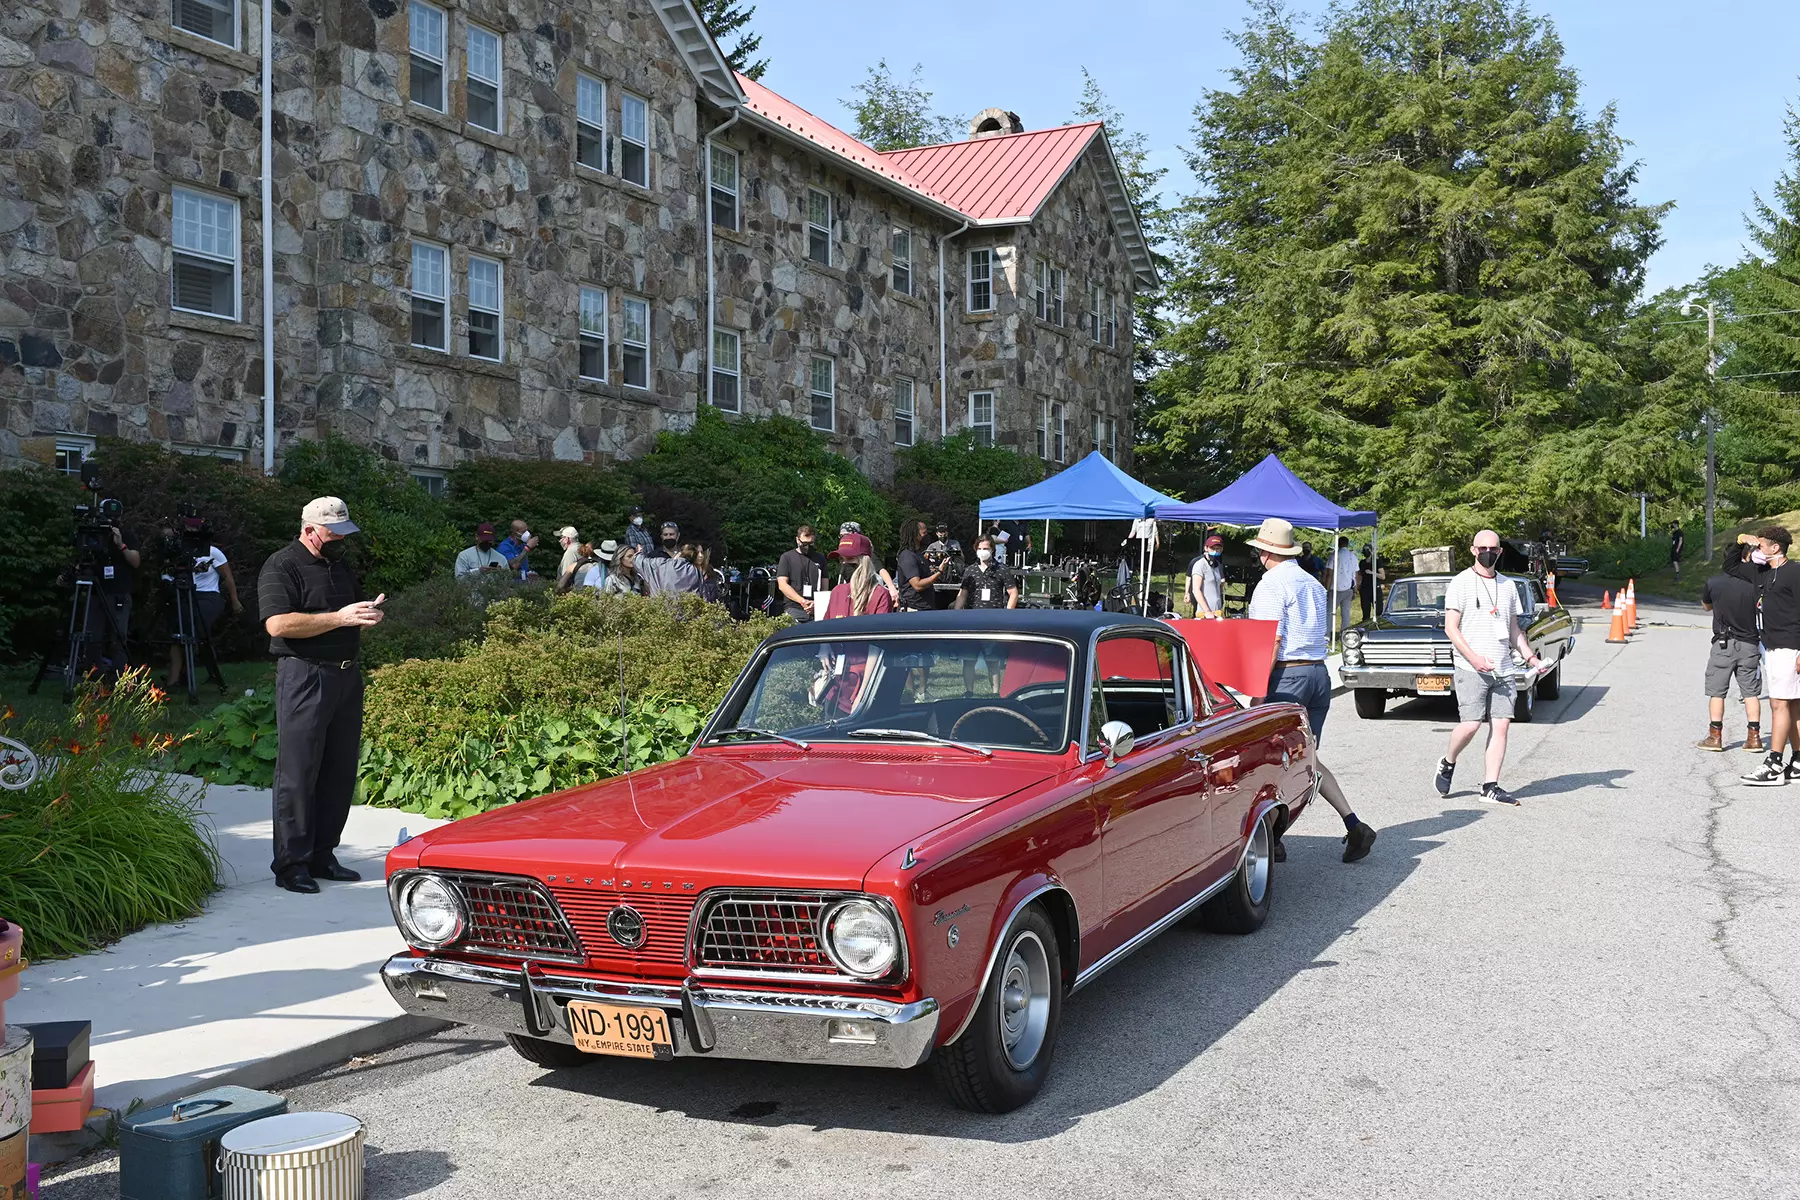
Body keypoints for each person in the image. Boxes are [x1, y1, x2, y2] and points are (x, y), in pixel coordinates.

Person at [257, 497, 385, 895]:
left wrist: (366, 614)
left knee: (339, 770)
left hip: (346, 678)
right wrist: (340, 618)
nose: (341, 539)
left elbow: (346, 612)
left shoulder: (339, 563)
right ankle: (292, 863)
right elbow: (278, 623)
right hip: (304, 676)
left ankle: (322, 854)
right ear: (310, 530)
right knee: (299, 772)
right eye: (335, 532)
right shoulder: (282, 565)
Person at [1244, 517, 1378, 862]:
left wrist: (1257, 692)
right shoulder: (1313, 584)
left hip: (1288, 675)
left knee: (1270, 760)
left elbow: (1271, 642)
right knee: (1306, 757)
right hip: (1318, 673)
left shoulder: (1270, 585)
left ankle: (1272, 835)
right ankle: (1352, 823)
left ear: (1264, 551)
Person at [1433, 529, 1543, 806]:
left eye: (1493, 549)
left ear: (1500, 552)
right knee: (1470, 725)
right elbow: (1450, 628)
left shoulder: (1508, 586)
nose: (1488, 553)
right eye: (1482, 548)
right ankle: (1448, 761)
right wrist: (1473, 658)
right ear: (1473, 550)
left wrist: (1531, 658)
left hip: (1504, 669)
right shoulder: (1461, 583)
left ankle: (1490, 786)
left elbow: (1514, 629)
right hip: (1472, 668)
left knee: (1502, 726)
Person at [1742, 526, 1800, 786]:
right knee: (1793, 705)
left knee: (1778, 704)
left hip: (1790, 645)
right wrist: (1741, 541)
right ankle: (1798, 760)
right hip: (1772, 646)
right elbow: (1733, 566)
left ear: (1776, 547)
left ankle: (1774, 763)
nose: (1758, 550)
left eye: (1762, 545)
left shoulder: (1795, 573)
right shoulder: (1765, 572)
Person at [1698, 542, 1763, 752]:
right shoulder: (1754, 585)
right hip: (1749, 643)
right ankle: (1754, 737)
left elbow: (1706, 606)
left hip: (1723, 643)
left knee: (1717, 692)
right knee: (1750, 692)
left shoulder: (1713, 582)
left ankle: (1715, 736)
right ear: (1746, 557)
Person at [165, 536, 243, 692]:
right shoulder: (177, 555)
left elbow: (227, 576)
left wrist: (235, 600)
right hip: (183, 595)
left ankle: (198, 674)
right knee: (178, 634)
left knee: (197, 631)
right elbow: (168, 574)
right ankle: (174, 680)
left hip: (208, 596)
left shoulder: (212, 552)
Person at [89, 516, 141, 673]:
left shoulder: (127, 535)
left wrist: (121, 545)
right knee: (92, 637)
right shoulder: (94, 535)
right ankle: (94, 677)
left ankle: (118, 678)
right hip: (96, 592)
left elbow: (136, 562)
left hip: (119, 593)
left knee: (118, 638)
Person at [822, 531, 893, 617]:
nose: (844, 563)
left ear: (864, 562)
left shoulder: (880, 594)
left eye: (850, 558)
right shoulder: (837, 592)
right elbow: (826, 627)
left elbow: (880, 628)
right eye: (841, 559)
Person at [775, 524, 826, 621]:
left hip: (817, 609)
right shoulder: (787, 557)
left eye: (811, 544)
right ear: (797, 540)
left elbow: (824, 586)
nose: (807, 547)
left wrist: (817, 603)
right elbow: (782, 585)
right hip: (794, 607)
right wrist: (802, 601)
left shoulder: (820, 559)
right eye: (805, 544)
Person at [954, 537, 1018, 609]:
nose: (982, 551)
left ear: (992, 549)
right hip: (973, 614)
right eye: (979, 549)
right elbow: (962, 594)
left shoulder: (1002, 569)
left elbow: (1013, 593)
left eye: (985, 549)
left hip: (995, 614)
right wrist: (956, 613)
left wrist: (1007, 613)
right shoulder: (970, 570)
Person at [896, 519, 945, 612]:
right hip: (914, 609)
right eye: (924, 533)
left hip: (926, 607)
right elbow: (917, 585)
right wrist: (939, 572)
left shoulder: (918, 554)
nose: (926, 535)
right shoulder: (908, 556)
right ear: (915, 535)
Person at [637, 541, 702, 596]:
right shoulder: (696, 572)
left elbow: (639, 562)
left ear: (678, 554)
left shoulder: (661, 564)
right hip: (686, 609)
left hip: (660, 608)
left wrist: (639, 553)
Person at [1187, 534, 1226, 619]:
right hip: (1204, 614)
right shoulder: (1200, 564)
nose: (1215, 551)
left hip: (1217, 613)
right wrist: (1207, 611)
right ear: (1206, 548)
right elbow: (1196, 590)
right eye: (1212, 548)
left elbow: (1219, 587)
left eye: (1218, 549)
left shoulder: (1217, 566)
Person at [1329, 535, 1359, 633]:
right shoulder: (1353, 556)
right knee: (1345, 613)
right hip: (1348, 588)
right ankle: (1344, 633)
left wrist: (1327, 587)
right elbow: (1356, 574)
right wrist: (1355, 588)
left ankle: (1327, 634)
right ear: (1347, 544)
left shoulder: (1334, 555)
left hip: (1335, 588)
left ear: (1338, 544)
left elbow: (1329, 572)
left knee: (1330, 612)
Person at [1358, 543, 1377, 622]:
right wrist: (1358, 585)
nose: (1365, 551)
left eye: (1367, 550)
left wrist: (1372, 573)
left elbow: (1383, 576)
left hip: (1374, 588)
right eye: (1364, 550)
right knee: (1365, 612)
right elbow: (1359, 575)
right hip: (1364, 589)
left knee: (1377, 611)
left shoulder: (1376, 561)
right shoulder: (1362, 562)